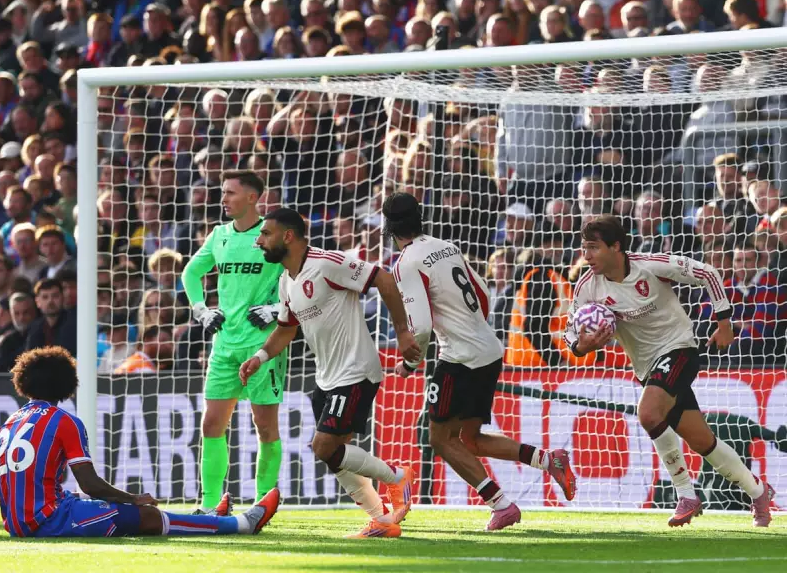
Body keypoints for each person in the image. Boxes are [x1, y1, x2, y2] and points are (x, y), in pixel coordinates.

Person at [565, 215, 775, 528]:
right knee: (703, 441)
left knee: (648, 414)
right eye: (584, 248)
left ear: (616, 246)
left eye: (593, 248)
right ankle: (758, 491)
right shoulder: (587, 288)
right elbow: (572, 337)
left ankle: (686, 494)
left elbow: (708, 273)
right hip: (648, 367)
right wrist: (585, 346)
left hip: (680, 348)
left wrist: (724, 322)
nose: (587, 255)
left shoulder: (650, 265)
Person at [382, 193, 576, 531]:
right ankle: (549, 460)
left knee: (440, 439)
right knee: (469, 439)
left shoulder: (405, 263)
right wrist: (475, 328)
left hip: (459, 357)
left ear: (390, 229)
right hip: (488, 348)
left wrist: (410, 364)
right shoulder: (448, 246)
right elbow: (484, 292)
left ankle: (500, 505)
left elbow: (422, 327)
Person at [240, 207, 421, 538]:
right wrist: (260, 356)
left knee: (323, 447)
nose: (260, 241)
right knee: (337, 456)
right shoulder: (285, 281)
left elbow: (381, 277)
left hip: (355, 370)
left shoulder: (326, 263)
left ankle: (397, 477)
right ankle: (381, 520)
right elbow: (285, 329)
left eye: (266, 234)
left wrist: (403, 332)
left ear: (288, 236)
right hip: (326, 376)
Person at [0, 345, 279, 538]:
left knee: (93, 502)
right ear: (66, 383)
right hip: (48, 521)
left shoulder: (10, 422)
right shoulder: (63, 420)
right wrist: (132, 498)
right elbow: (89, 483)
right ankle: (240, 524)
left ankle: (211, 517)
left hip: (19, 521)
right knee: (147, 516)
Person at [181, 171, 287, 512]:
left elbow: (300, 274)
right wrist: (201, 310)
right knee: (212, 423)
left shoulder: (271, 235)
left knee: (265, 425)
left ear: (253, 198)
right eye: (223, 192)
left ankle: (263, 503)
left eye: (230, 193)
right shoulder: (219, 236)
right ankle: (211, 503)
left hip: (262, 345)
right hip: (225, 344)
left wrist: (276, 308)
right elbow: (190, 273)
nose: (223, 198)